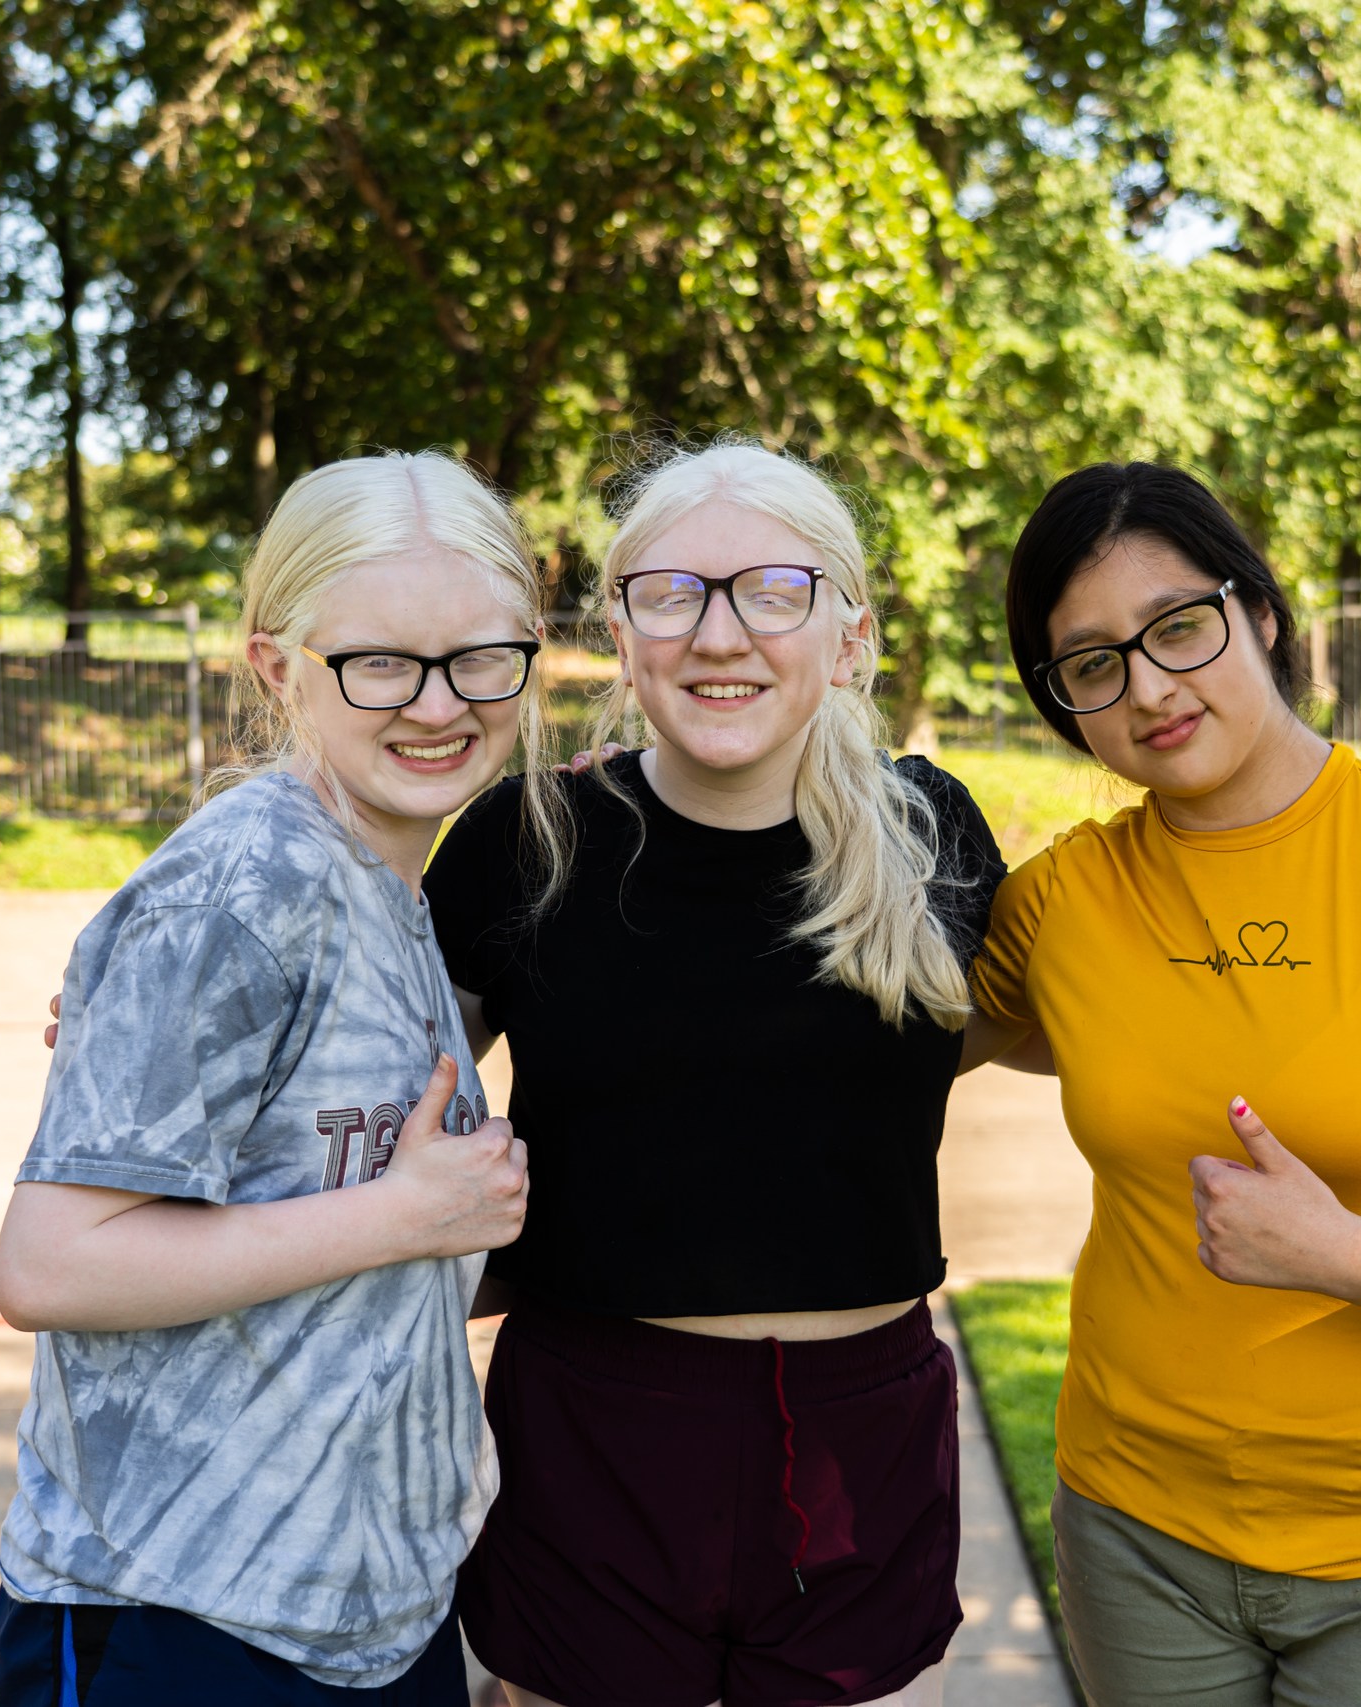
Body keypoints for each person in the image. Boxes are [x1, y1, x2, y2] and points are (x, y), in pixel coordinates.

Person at [961, 462, 1361, 1707]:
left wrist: (1340, 1252)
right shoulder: (1059, 903)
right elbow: (836, 1046)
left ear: (1256, 611)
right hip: (1133, 1534)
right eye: (1091, 663)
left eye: (1177, 628)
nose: (1148, 686)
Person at [424, 441, 1006, 1707]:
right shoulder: (530, 843)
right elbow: (351, 1082)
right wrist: (185, 996)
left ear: (849, 637)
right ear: (623, 634)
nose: (719, 633)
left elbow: (1098, 1017)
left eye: (772, 592)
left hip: (864, 1435)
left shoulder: (929, 835)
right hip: (597, 1426)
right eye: (673, 592)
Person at [0, 452, 553, 1707]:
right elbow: (48, 1265)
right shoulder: (240, 894)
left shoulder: (391, 885)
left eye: (478, 657)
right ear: (275, 666)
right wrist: (403, 1215)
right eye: (379, 663)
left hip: (370, 1619)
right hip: (178, 1619)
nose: (436, 704)